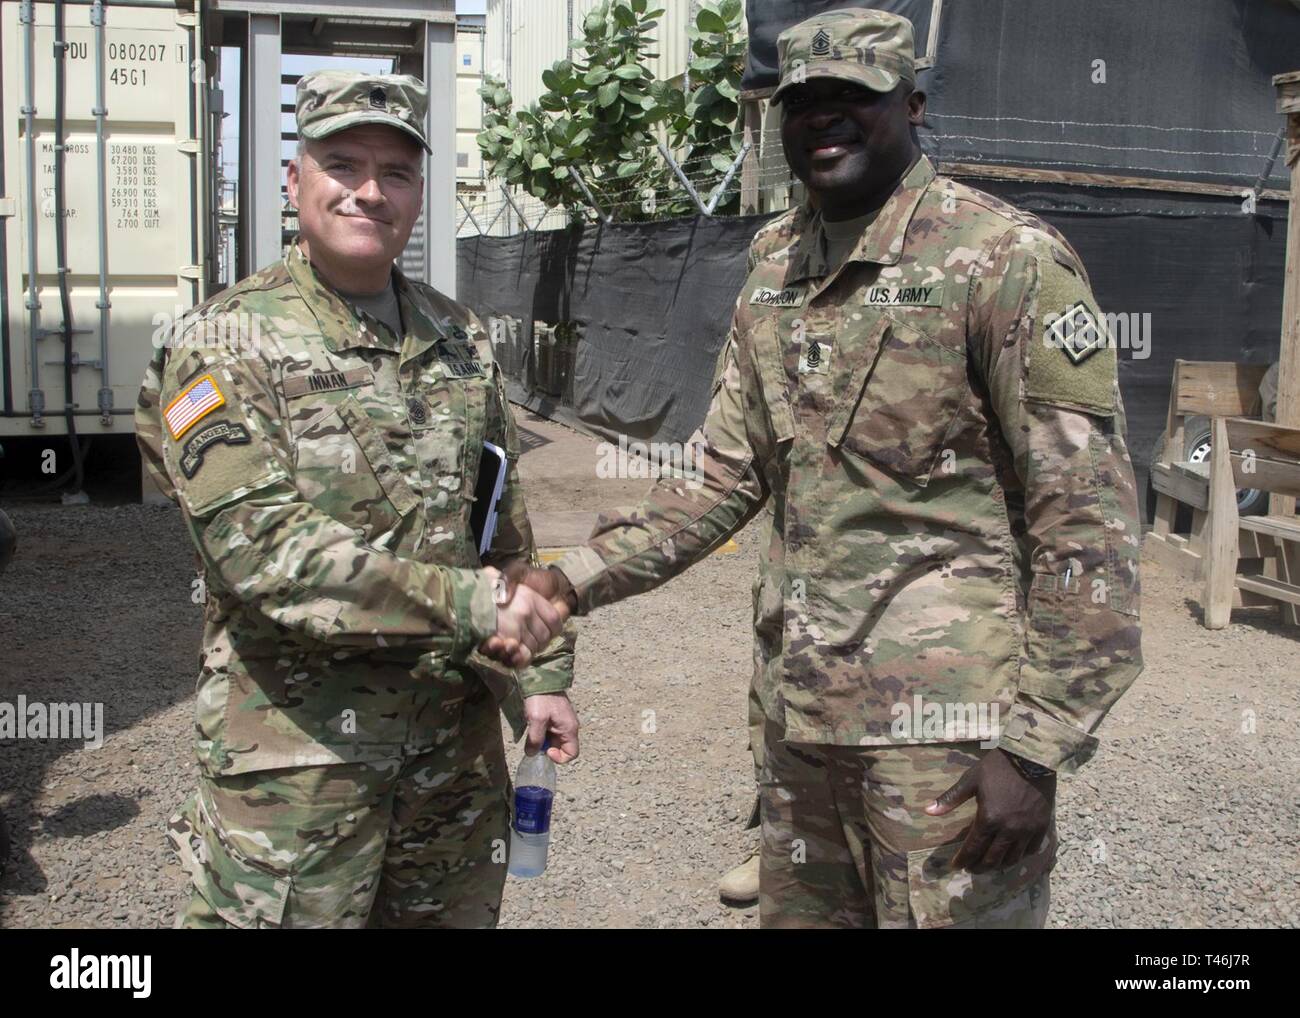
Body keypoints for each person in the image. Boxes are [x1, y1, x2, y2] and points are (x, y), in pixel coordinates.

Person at [509, 8, 1143, 928]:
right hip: (800, 726)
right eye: (804, 100)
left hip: (949, 745)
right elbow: (724, 475)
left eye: (855, 96)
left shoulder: (1004, 261)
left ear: (914, 104)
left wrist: (1038, 745)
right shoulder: (775, 268)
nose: (824, 117)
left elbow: (1086, 522)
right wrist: (568, 581)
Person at [135, 71, 577, 928]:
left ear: (419, 192)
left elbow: (501, 528)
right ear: (294, 181)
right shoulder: (224, 342)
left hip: (448, 766)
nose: (370, 191)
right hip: (300, 772)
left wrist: (543, 680)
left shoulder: (459, 339)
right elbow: (262, 553)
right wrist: (470, 604)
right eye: (342, 163)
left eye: (397, 171)